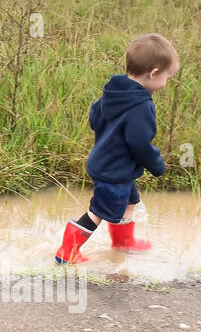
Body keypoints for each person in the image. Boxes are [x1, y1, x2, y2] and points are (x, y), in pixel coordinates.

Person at [55, 33, 179, 264]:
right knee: (99, 212)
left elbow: (95, 117)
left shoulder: (114, 91)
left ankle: (123, 242)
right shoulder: (141, 106)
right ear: (153, 73)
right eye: (167, 77)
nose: (166, 82)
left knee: (130, 202)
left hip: (112, 165)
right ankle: (67, 250)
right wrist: (156, 164)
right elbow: (139, 143)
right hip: (114, 171)